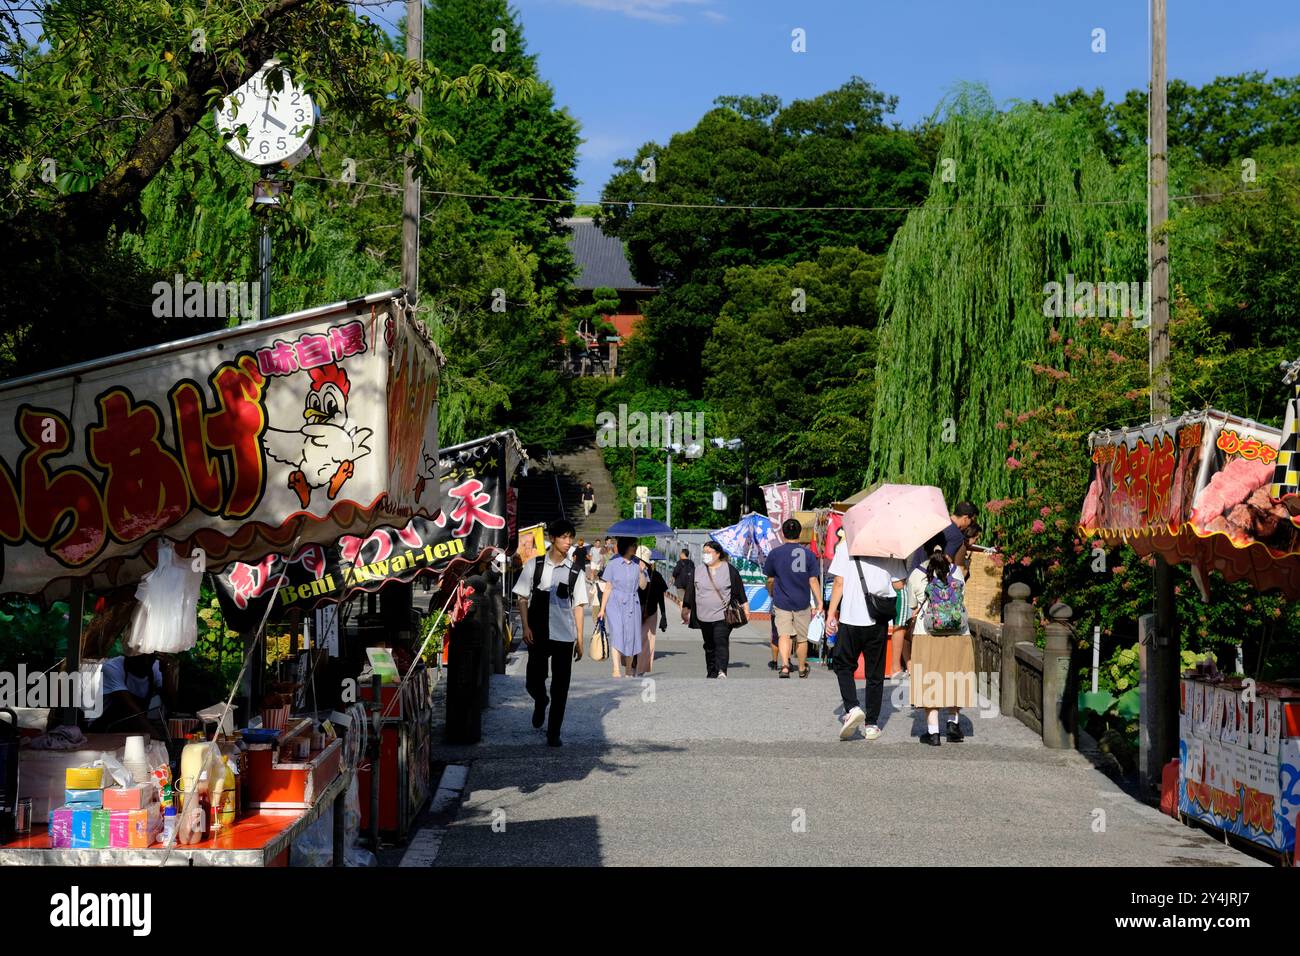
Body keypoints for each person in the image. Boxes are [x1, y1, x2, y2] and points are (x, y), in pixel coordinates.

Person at [513, 519, 587, 747]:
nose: (568, 542)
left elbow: (579, 605)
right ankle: (540, 699)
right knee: (533, 679)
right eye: (564, 537)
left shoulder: (575, 571)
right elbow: (522, 598)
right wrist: (525, 626)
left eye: (570, 537)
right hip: (538, 629)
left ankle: (554, 732)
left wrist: (580, 638)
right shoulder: (534, 565)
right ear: (553, 538)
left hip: (564, 633)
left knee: (561, 686)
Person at [826, 539, 904, 740]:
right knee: (875, 674)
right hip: (877, 620)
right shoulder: (889, 549)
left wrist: (831, 613)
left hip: (850, 618)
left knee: (843, 665)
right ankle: (872, 724)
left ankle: (852, 707)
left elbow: (839, 582)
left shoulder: (846, 546)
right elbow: (899, 584)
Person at [907, 533, 976, 745]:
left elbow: (912, 608)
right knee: (955, 676)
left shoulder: (916, 575)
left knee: (930, 679)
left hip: (926, 633)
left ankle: (933, 731)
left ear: (924, 548)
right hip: (958, 633)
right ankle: (953, 724)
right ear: (946, 548)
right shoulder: (957, 573)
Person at [763, 518, 824, 678]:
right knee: (802, 639)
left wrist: (771, 592)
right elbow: (813, 580)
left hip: (782, 601)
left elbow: (770, 578)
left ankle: (784, 666)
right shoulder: (809, 555)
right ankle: (802, 667)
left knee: (784, 635)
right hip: (802, 602)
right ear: (799, 533)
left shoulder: (775, 554)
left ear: (783, 533)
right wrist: (819, 602)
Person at [681, 540, 745, 679]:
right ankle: (711, 671)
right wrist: (686, 608)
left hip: (723, 615)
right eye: (704, 552)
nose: (705, 555)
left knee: (721, 640)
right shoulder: (698, 570)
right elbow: (690, 591)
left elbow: (739, 590)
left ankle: (722, 670)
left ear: (718, 554)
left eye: (708, 552)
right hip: (703, 616)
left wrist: (746, 607)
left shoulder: (729, 570)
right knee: (709, 645)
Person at [89, 651, 177, 735]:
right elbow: (131, 710)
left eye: (150, 658)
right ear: (128, 655)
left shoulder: (155, 668)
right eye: (141, 658)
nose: (146, 663)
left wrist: (166, 672)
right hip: (102, 731)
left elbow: (171, 703)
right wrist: (158, 739)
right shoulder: (112, 668)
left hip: (132, 731)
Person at [596, 537, 648, 678]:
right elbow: (608, 587)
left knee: (631, 635)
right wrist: (602, 609)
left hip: (632, 601)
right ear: (626, 546)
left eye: (636, 544)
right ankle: (616, 668)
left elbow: (643, 586)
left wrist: (642, 571)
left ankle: (629, 668)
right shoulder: (613, 563)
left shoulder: (638, 563)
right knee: (618, 633)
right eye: (633, 545)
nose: (635, 547)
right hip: (615, 602)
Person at [906, 501, 979, 574]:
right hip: (929, 578)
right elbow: (945, 563)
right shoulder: (956, 535)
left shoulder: (935, 521)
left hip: (913, 573)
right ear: (965, 518)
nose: (970, 524)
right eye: (972, 521)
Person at [635, 546, 669, 675]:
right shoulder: (656, 575)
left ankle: (635, 665)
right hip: (650, 611)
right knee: (647, 639)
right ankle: (640, 667)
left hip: (639, 610)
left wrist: (664, 615)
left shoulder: (632, 572)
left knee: (638, 638)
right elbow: (661, 596)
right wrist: (664, 615)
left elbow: (660, 596)